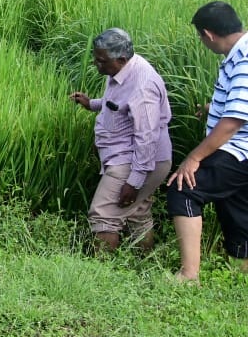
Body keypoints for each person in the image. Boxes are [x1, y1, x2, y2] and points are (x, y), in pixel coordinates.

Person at [167, 2, 248, 282]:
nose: (202, 41)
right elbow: (243, 103)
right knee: (237, 206)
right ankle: (240, 276)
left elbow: (233, 122)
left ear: (208, 34)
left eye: (200, 36)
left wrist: (194, 158)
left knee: (183, 189)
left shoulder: (247, 63)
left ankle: (188, 275)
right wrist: (213, 108)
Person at [69, 29, 172, 253]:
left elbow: (147, 138)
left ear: (121, 59)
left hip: (137, 160)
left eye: (101, 61)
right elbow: (118, 105)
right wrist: (92, 104)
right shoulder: (124, 70)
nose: (96, 64)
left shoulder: (143, 87)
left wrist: (134, 182)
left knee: (104, 214)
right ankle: (142, 265)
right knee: (137, 212)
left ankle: (102, 277)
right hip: (129, 156)